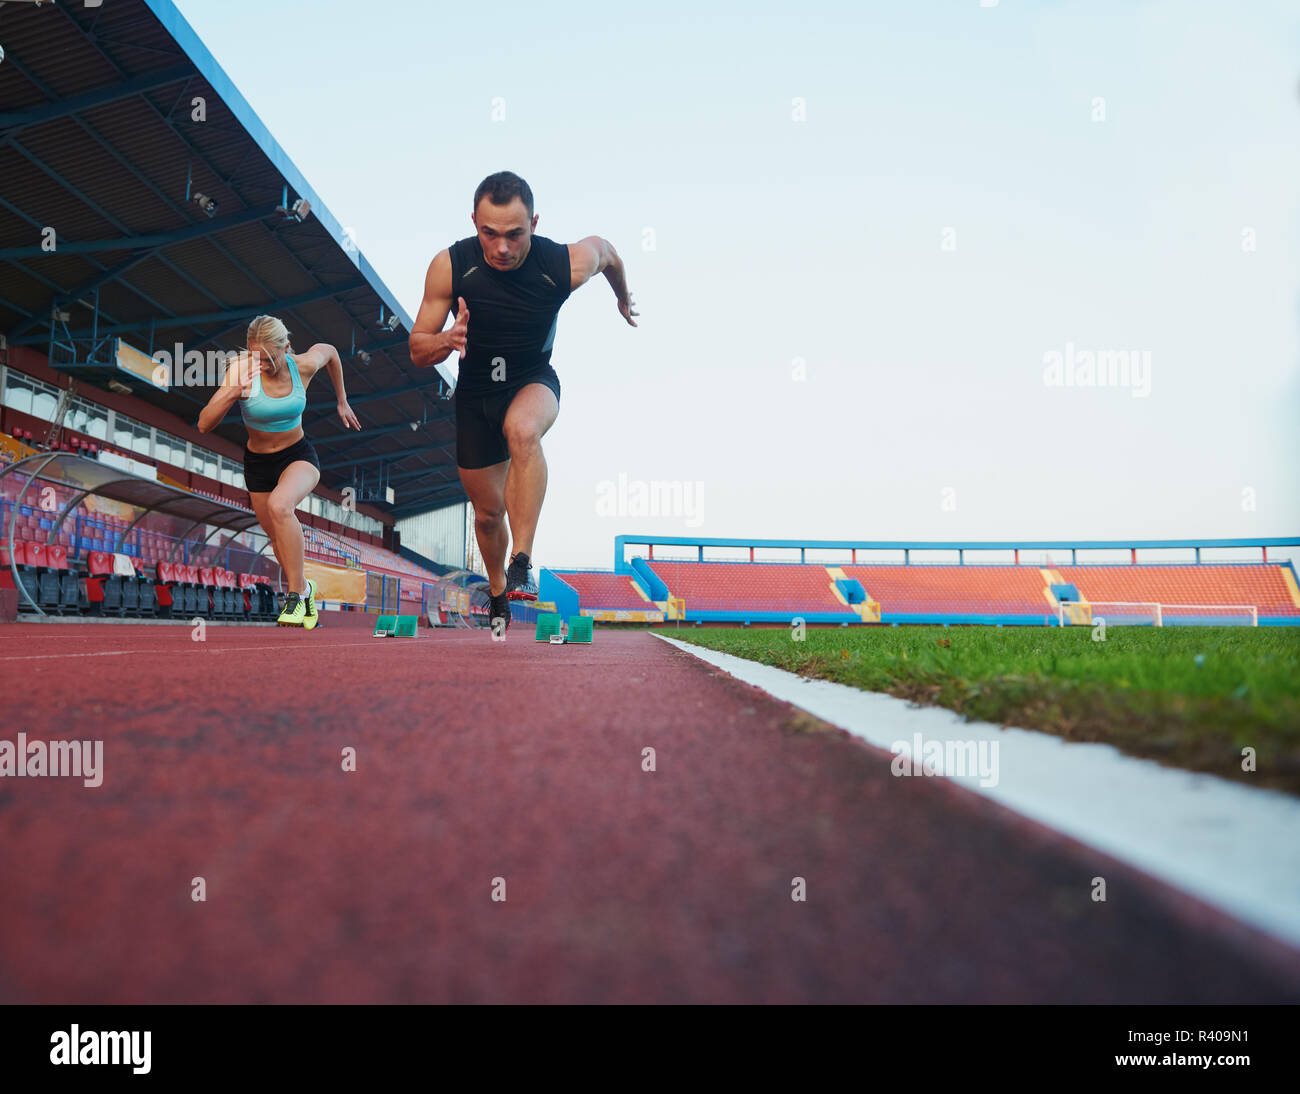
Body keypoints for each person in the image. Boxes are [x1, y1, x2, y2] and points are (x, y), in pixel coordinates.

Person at [409, 171, 637, 632]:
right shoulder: (450, 266)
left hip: (533, 379)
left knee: (523, 431)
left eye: (515, 234)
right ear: (474, 222)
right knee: (489, 514)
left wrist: (622, 297)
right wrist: (447, 340)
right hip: (475, 395)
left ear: (534, 222)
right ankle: (498, 593)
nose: (502, 248)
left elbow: (607, 251)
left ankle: (522, 561)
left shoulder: (562, 263)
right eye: (489, 234)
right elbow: (417, 348)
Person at [198, 315, 360, 627]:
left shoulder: (303, 366)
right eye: (257, 357)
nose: (264, 365)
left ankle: (295, 595)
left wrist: (342, 400)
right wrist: (233, 394)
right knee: (277, 539)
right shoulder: (241, 370)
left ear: (286, 348)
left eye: (271, 358)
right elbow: (204, 424)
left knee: (280, 506)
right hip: (258, 465)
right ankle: (306, 590)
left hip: (298, 455)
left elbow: (332, 353)